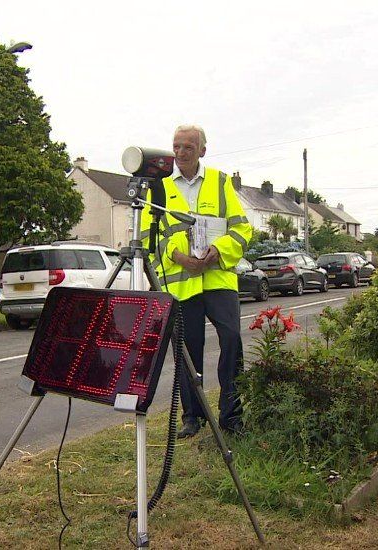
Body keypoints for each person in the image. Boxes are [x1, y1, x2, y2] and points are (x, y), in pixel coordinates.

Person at [140, 124, 253, 438]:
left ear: (202, 149)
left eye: (188, 147)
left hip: (218, 279)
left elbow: (242, 228)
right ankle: (193, 417)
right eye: (176, 146)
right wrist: (177, 256)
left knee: (231, 341)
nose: (180, 153)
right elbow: (149, 236)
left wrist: (218, 250)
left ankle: (231, 416)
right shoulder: (158, 186)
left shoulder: (219, 182)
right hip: (182, 284)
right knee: (188, 354)